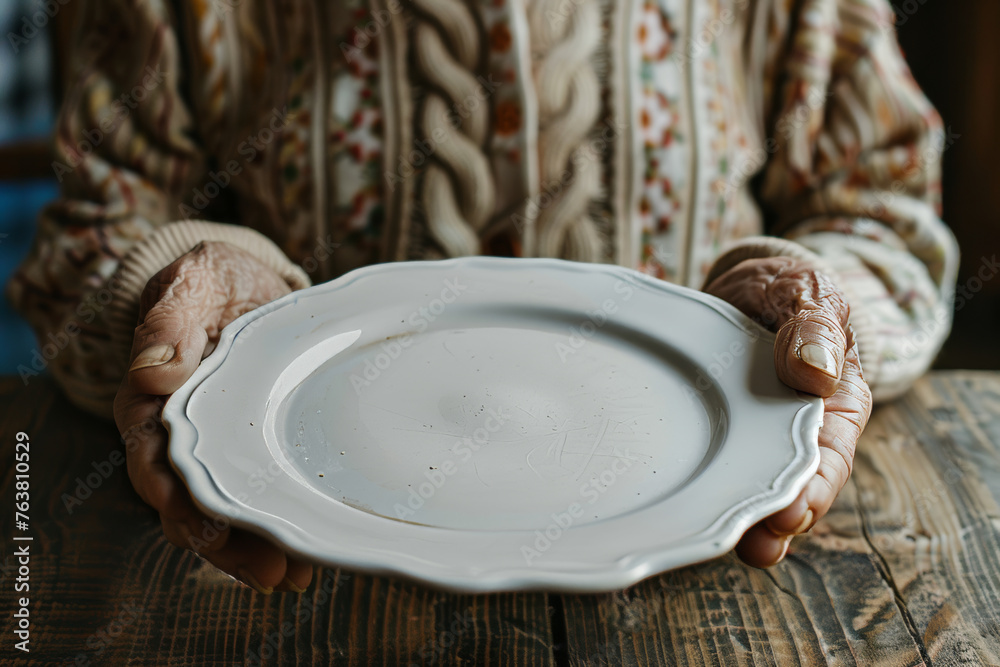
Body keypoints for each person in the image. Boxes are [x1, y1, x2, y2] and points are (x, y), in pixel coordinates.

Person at [7, 0, 957, 595]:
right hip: (297, 582)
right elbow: (88, 239)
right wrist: (181, 284)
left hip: (699, 577)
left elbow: (883, 209)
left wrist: (808, 301)